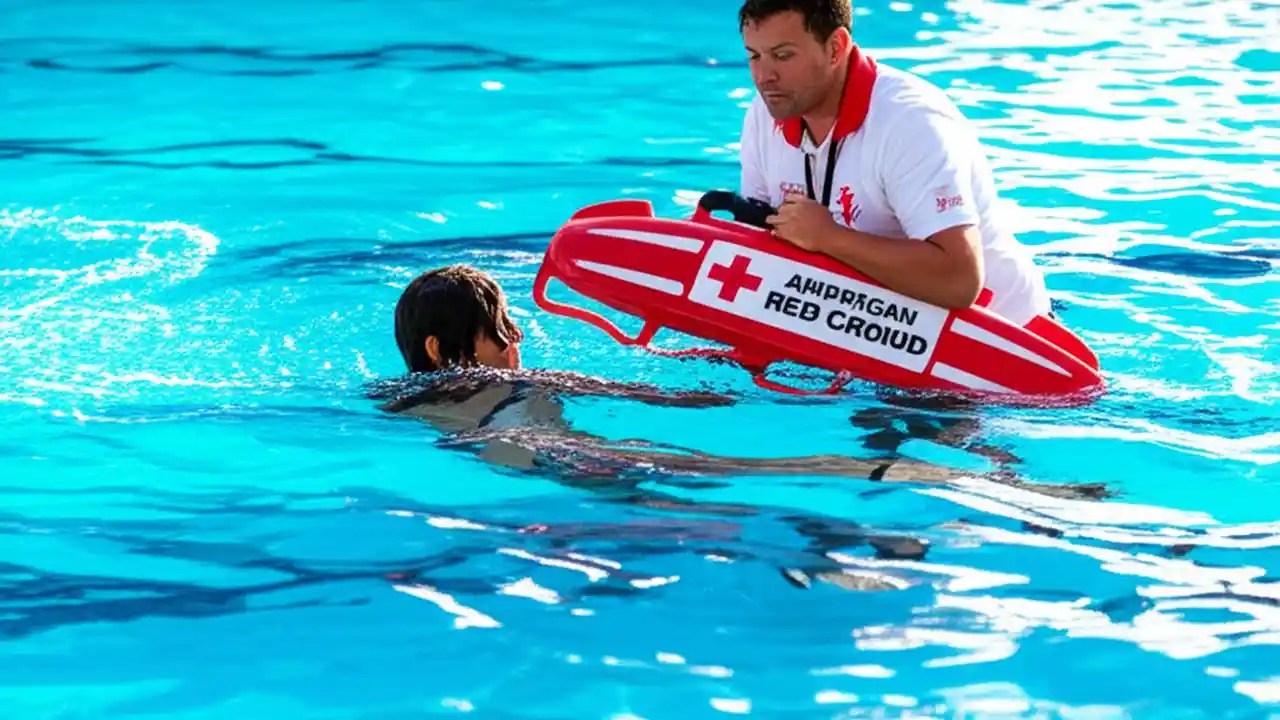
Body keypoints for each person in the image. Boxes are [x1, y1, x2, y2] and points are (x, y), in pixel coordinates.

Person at [736, 0, 1053, 328]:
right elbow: (758, 238)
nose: (763, 76)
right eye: (754, 56)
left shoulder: (910, 123)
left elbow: (959, 281)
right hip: (874, 325)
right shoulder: (765, 115)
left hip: (1008, 337)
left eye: (783, 55)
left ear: (835, 48)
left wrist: (830, 237)